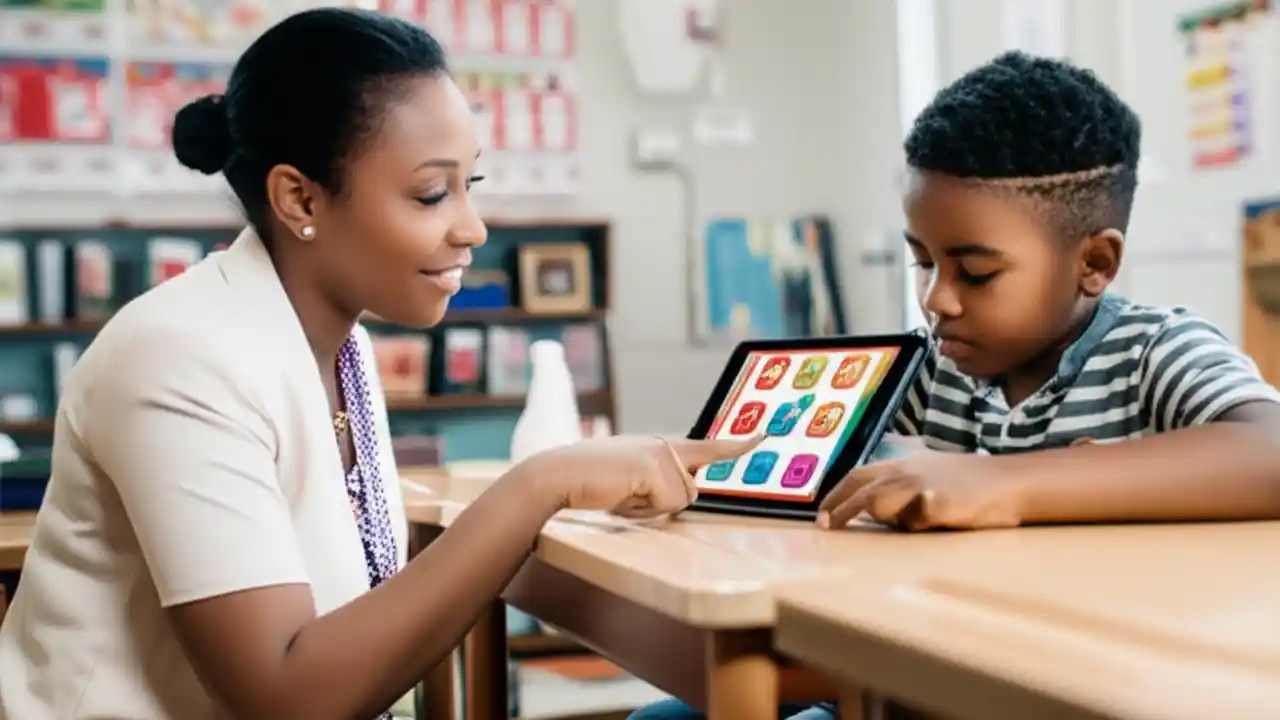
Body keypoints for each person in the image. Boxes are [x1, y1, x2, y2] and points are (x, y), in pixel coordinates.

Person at [0, 9, 759, 720]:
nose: (472, 227)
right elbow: (286, 697)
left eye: (472, 184)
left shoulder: (342, 346)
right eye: (431, 194)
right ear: (300, 198)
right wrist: (542, 482)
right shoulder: (178, 358)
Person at [630, 50, 1280, 720]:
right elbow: (778, 456)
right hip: (907, 678)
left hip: (1071, 689)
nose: (937, 299)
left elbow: (1271, 452)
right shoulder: (931, 368)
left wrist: (1004, 484)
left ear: (1095, 262)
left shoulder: (1153, 351)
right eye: (922, 261)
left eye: (974, 273)